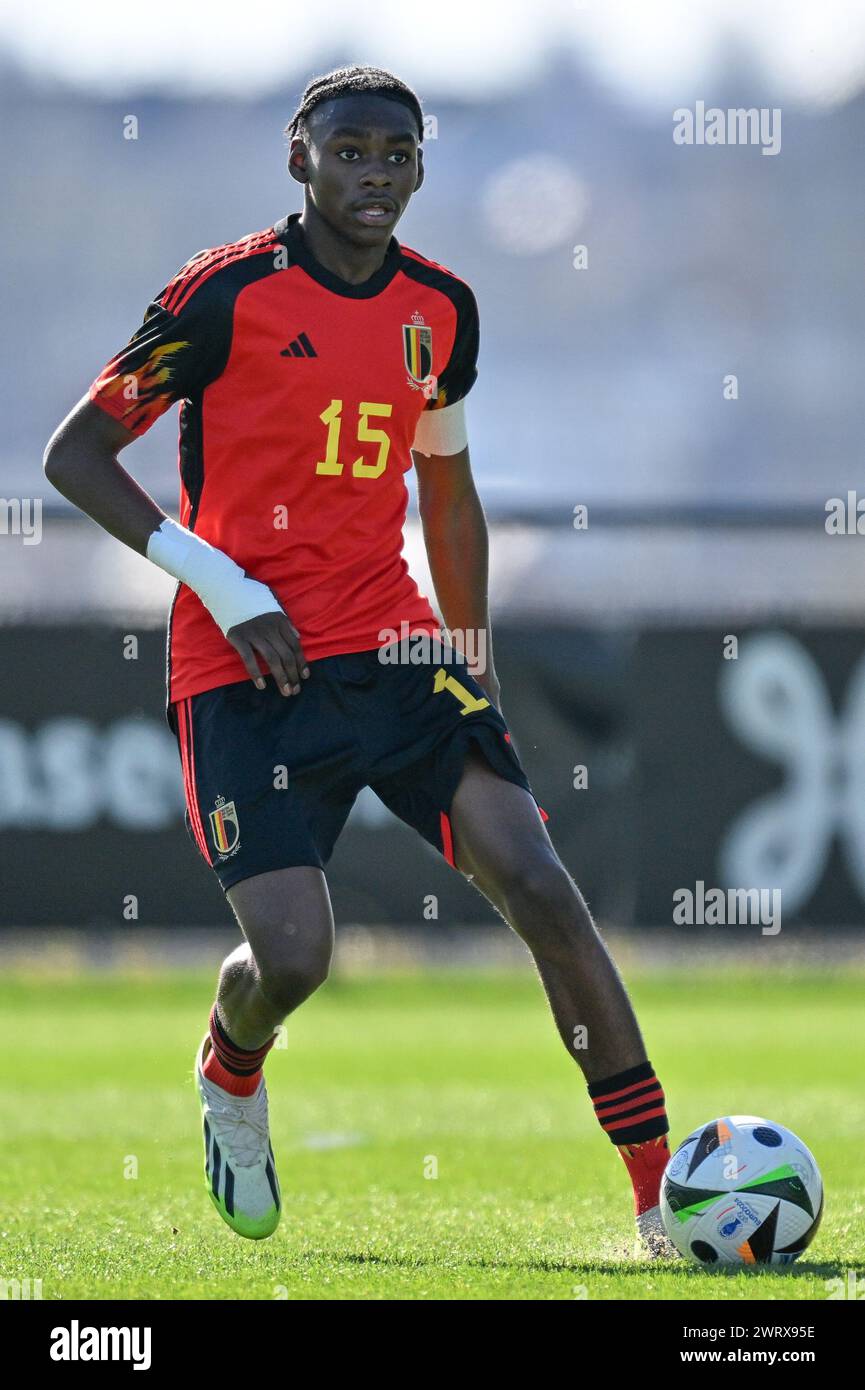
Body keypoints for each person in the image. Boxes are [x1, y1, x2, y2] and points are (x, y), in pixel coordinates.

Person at [43, 64, 675, 1258]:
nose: (373, 174)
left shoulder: (442, 309)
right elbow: (74, 457)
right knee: (294, 958)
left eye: (396, 154)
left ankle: (660, 1198)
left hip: (393, 645)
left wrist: (470, 652)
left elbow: (448, 486)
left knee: (541, 884)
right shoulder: (224, 297)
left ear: (421, 166)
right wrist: (228, 589)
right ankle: (233, 1067)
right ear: (301, 159)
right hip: (245, 664)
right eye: (350, 152)